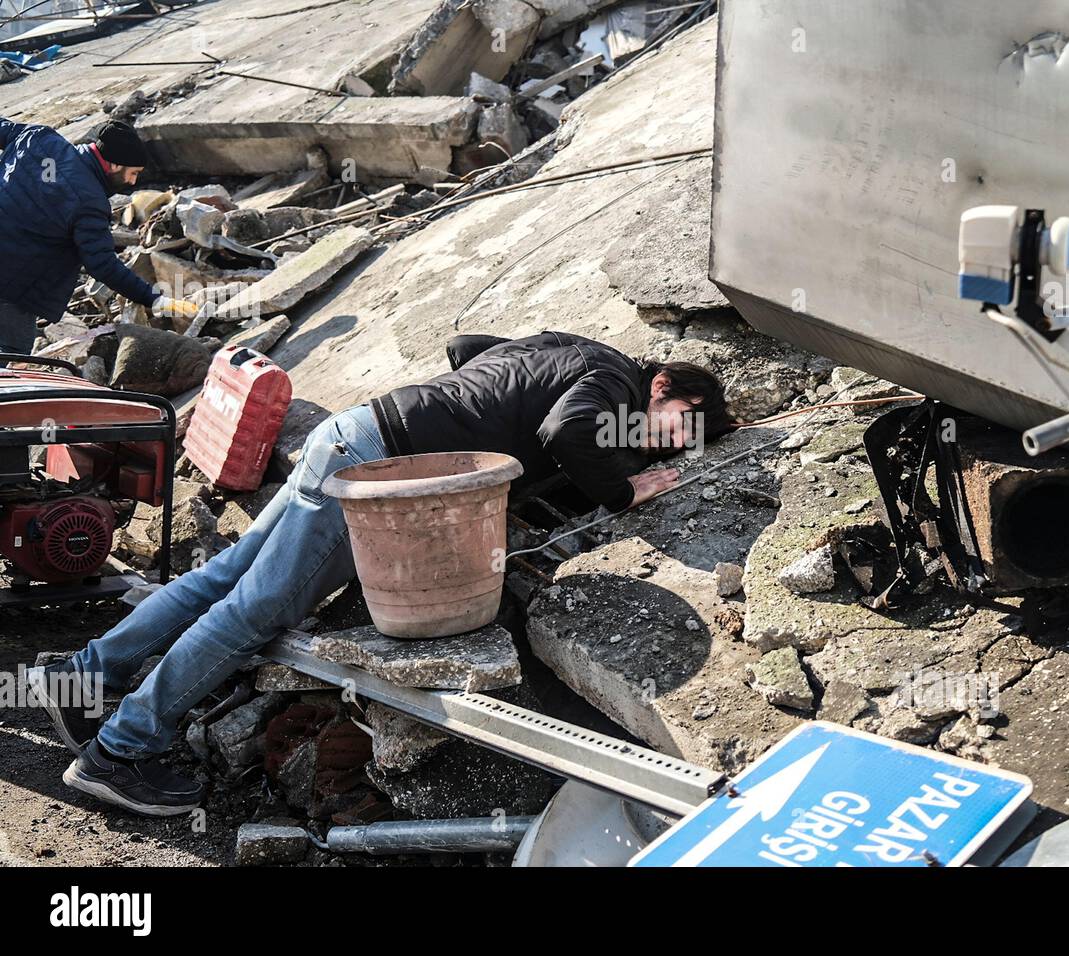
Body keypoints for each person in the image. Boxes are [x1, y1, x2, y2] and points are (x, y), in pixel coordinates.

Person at [27, 331, 733, 816]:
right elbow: (567, 434)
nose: (669, 437)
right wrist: (626, 490)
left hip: (355, 432)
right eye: (680, 419)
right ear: (662, 381)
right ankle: (119, 752)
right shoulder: (613, 379)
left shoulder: (571, 352)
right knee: (257, 611)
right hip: (373, 474)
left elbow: (469, 351)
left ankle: (85, 676)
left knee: (226, 578)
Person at [0, 118, 192, 355]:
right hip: (12, 294)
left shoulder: (38, 138)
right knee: (8, 366)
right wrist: (154, 299)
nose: (132, 182)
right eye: (133, 173)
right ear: (112, 165)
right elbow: (103, 265)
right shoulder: (89, 202)